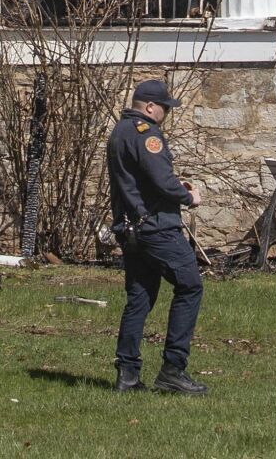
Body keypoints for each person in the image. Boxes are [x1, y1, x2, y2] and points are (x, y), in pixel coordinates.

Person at [106, 78, 206, 396]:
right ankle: (173, 369)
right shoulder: (147, 135)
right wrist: (189, 196)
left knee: (140, 298)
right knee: (190, 286)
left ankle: (128, 374)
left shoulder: (119, 132)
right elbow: (161, 180)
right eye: (164, 108)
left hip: (130, 227)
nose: (166, 113)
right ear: (149, 107)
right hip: (156, 228)